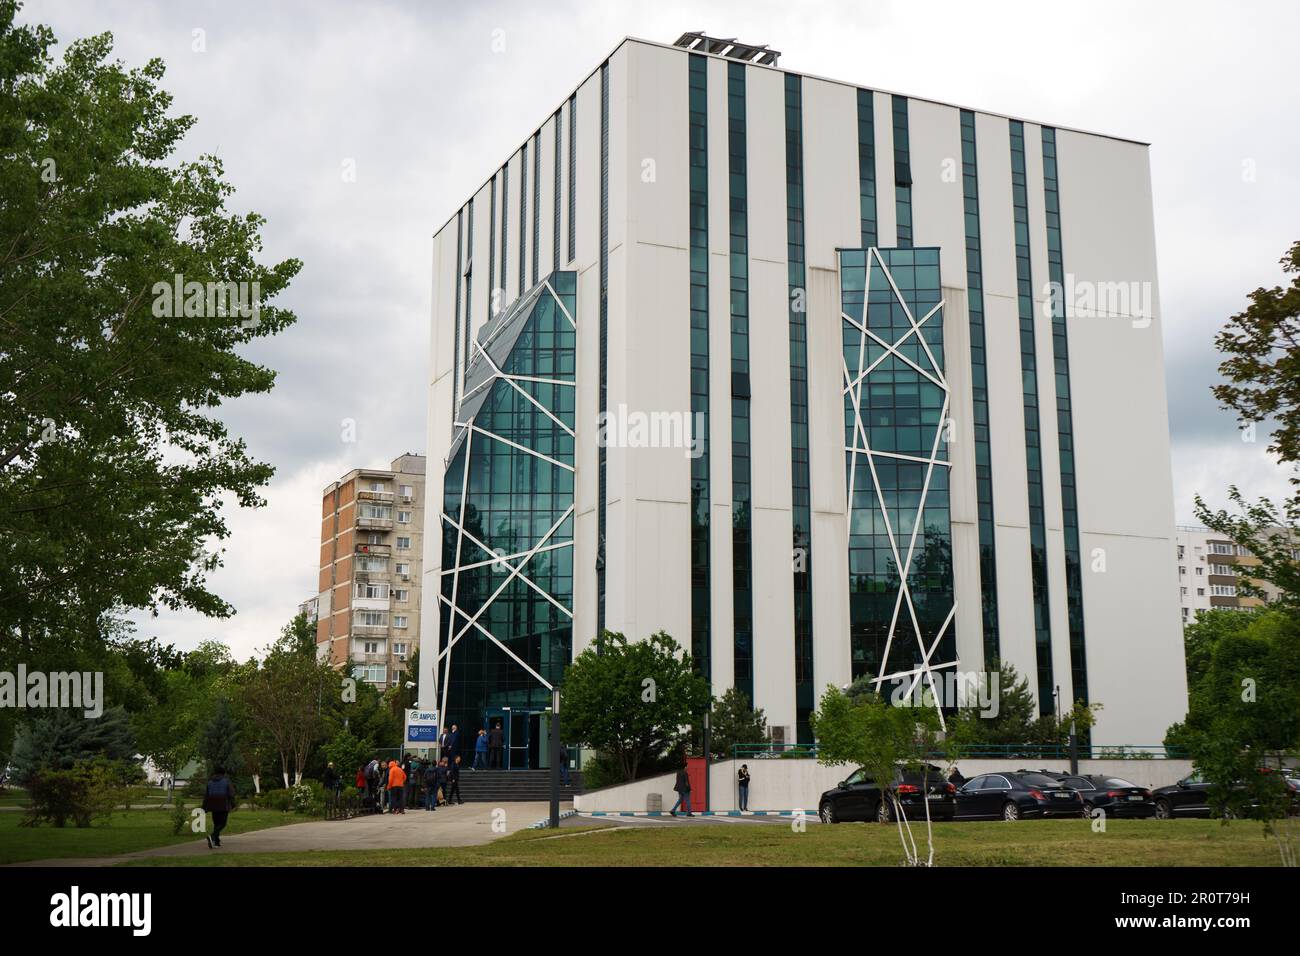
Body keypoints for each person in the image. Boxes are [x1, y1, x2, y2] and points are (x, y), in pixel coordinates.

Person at [202, 766, 237, 848]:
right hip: (223, 804)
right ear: (223, 773)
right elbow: (231, 794)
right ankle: (212, 836)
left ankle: (216, 842)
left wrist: (204, 807)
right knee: (223, 823)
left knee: (216, 823)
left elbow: (206, 796)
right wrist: (233, 803)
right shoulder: (226, 781)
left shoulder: (210, 782)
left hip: (213, 805)